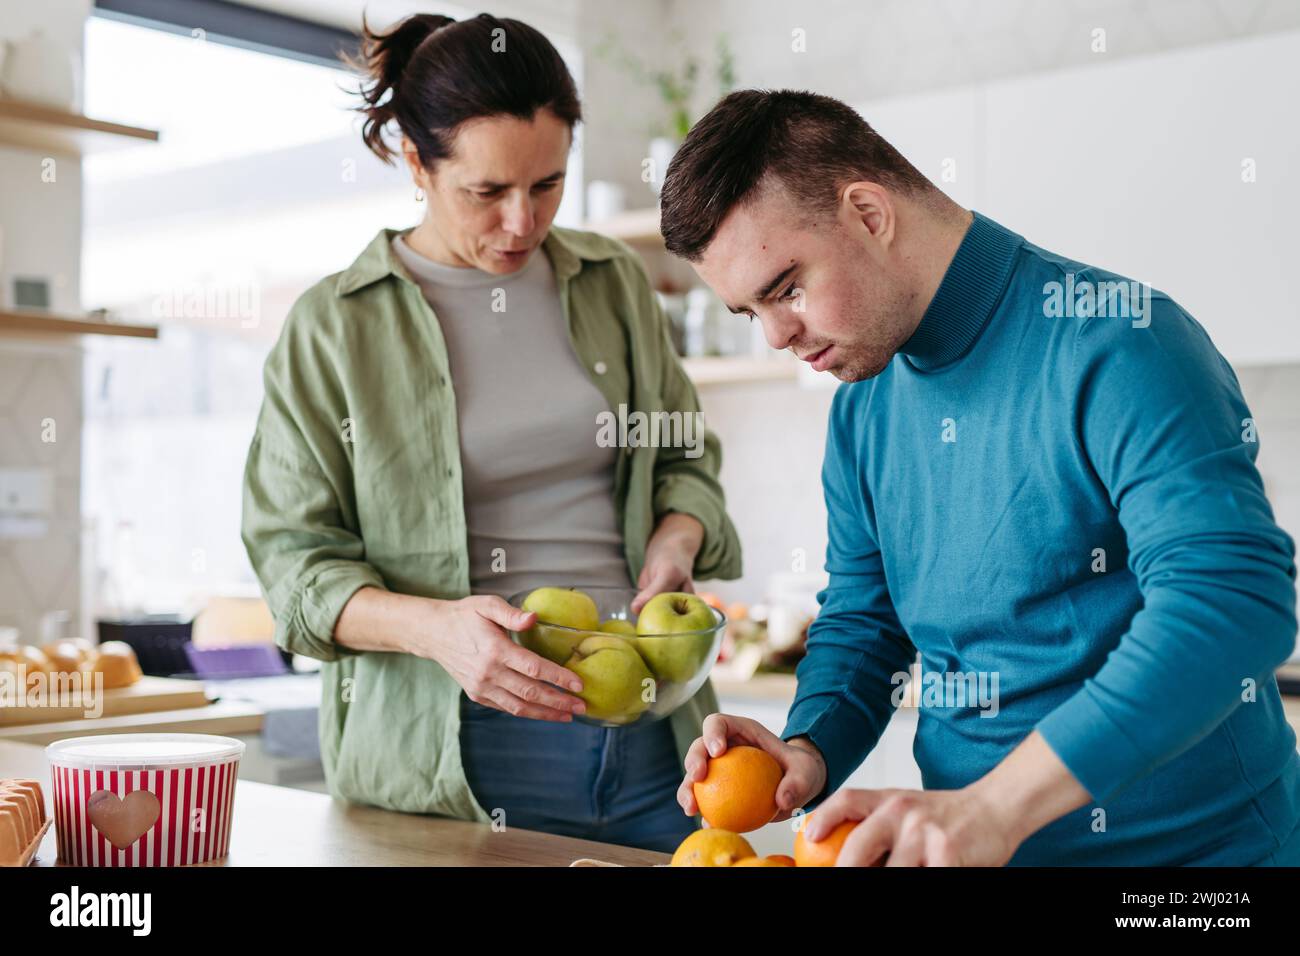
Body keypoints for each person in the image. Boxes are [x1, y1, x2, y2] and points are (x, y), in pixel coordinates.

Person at [659, 88, 1299, 866]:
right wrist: (807, 751)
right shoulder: (864, 409)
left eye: (786, 287)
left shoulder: (1120, 341)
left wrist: (996, 807)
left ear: (869, 213)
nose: (777, 336)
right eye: (747, 313)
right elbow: (866, 623)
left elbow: (1234, 601)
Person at [241, 13, 740, 852]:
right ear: (414, 162)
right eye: (487, 192)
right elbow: (294, 568)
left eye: (547, 185)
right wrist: (439, 632)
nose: (522, 223)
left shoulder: (611, 282)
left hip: (659, 729)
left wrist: (677, 542)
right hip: (461, 751)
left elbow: (685, 452)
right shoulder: (332, 329)